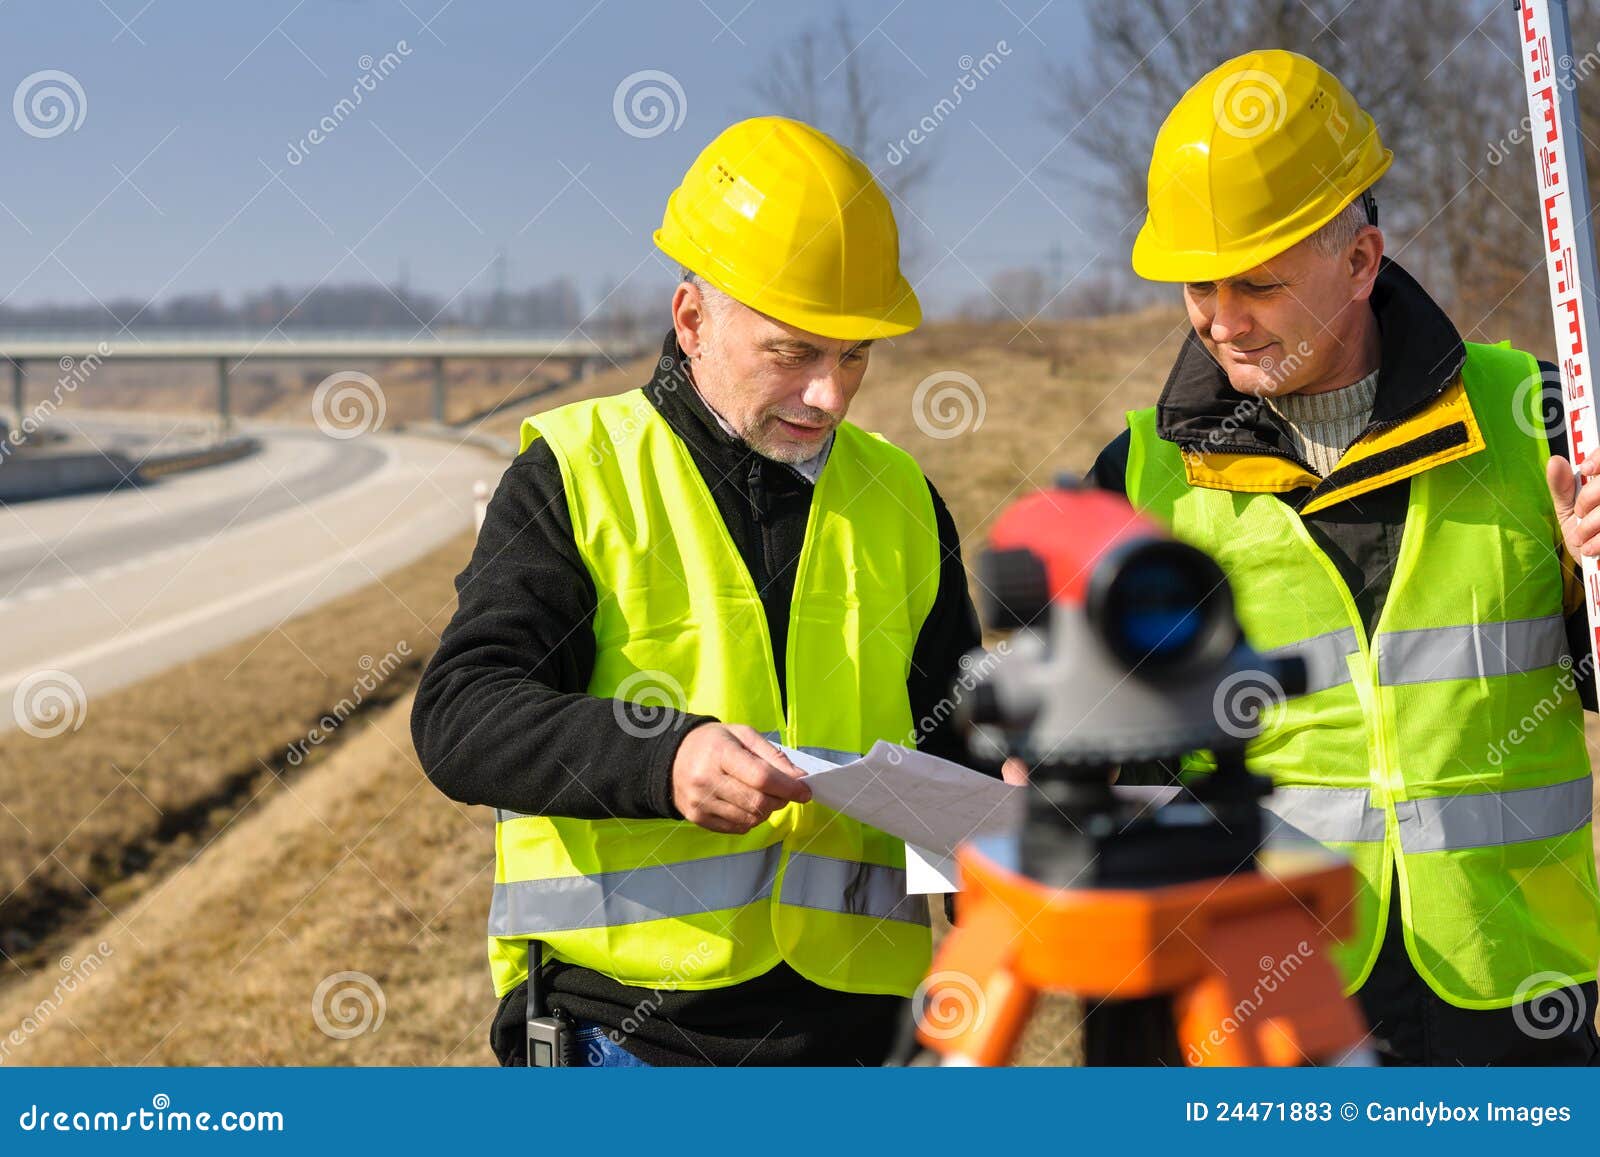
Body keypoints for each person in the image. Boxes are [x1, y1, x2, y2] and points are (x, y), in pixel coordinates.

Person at [412, 116, 998, 1066]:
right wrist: (664, 756)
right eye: (793, 353)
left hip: (864, 1041)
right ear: (692, 320)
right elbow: (462, 717)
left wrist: (999, 805)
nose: (831, 397)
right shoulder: (577, 471)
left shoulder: (902, 500)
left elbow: (955, 739)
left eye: (853, 355)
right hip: (628, 1039)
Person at [1089, 49, 1600, 1065]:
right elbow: (1121, 801)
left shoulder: (1540, 420)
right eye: (1201, 283)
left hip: (1516, 1000)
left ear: (1361, 261)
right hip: (1264, 1011)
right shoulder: (1140, 480)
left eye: (1260, 284)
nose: (1222, 319)